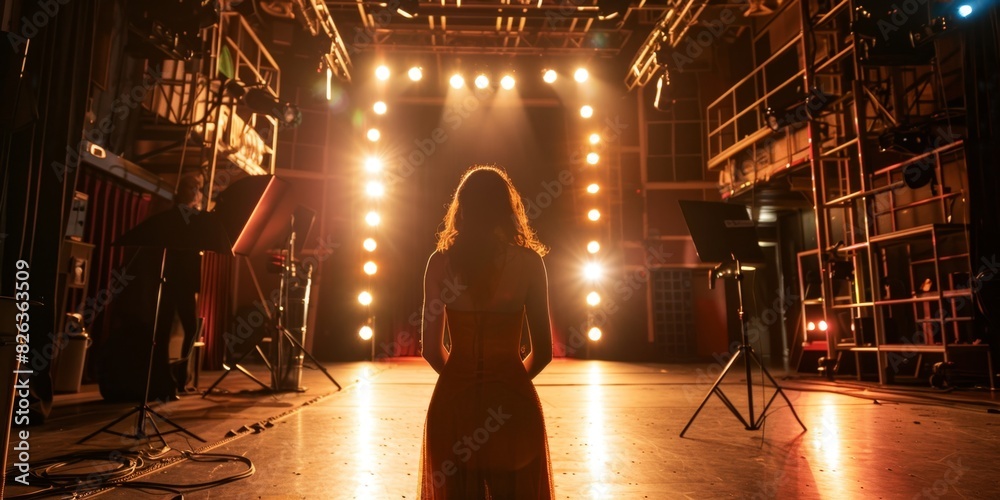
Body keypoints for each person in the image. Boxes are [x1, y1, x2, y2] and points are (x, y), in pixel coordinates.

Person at [418, 165, 554, 499]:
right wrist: (509, 382)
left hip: (454, 404)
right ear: (508, 210)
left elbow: (431, 351)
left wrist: (460, 380)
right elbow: (545, 351)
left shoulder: (440, 263)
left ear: (461, 208)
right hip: (513, 404)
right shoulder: (530, 264)